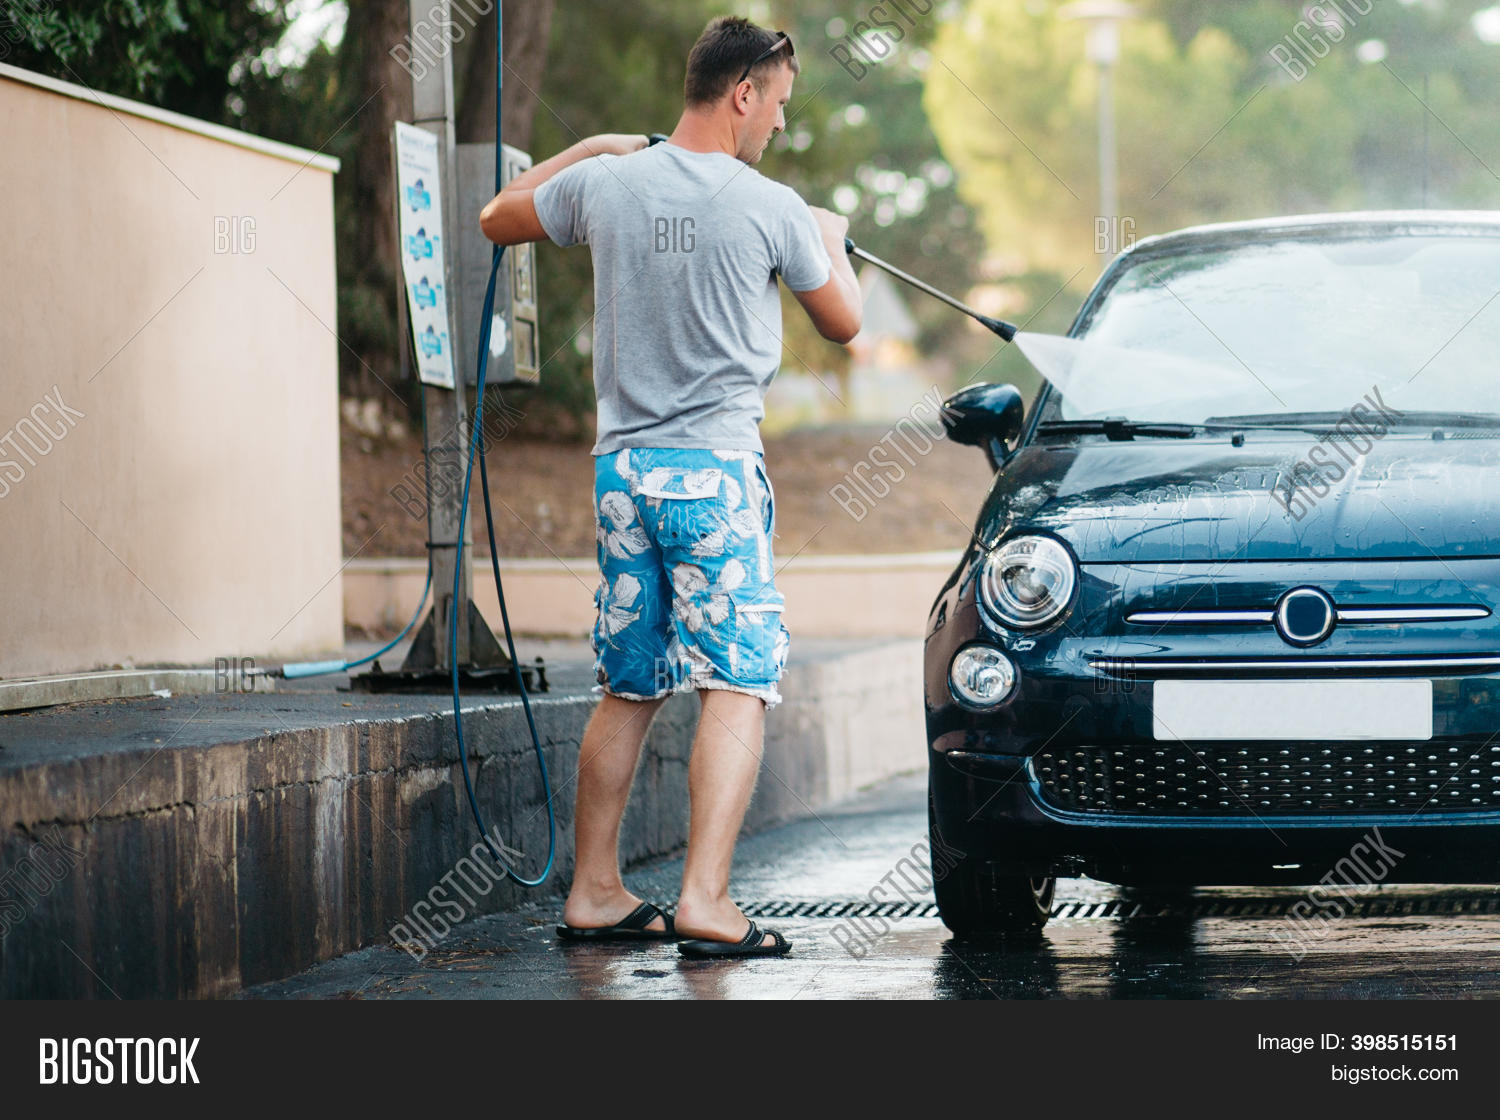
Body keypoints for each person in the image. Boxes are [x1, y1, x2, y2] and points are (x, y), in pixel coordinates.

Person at [479, 16, 862, 957]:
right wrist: (829, 235)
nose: (777, 124)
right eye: (776, 104)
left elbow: (499, 214)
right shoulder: (771, 206)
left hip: (622, 479)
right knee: (737, 681)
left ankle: (595, 892)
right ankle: (705, 899)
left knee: (630, 682)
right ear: (742, 93)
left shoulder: (609, 183)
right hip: (716, 478)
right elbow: (845, 323)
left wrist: (597, 146)